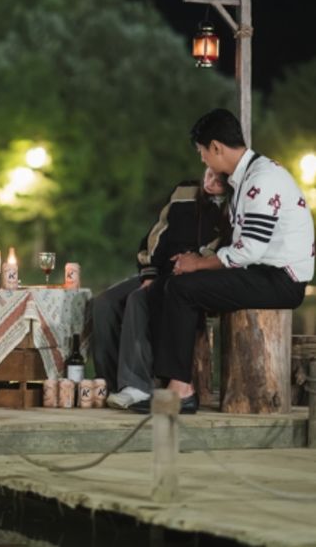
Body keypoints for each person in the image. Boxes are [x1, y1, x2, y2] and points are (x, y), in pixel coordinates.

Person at [130, 108, 315, 414]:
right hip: (259, 272)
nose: (204, 161)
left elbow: (248, 250)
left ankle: (181, 390)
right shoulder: (247, 176)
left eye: (202, 153)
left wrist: (197, 263)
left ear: (216, 147)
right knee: (167, 285)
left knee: (182, 289)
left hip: (281, 279)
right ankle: (168, 382)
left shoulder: (262, 179)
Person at [92, 166, 230, 409]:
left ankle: (136, 385)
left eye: (219, 180)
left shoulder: (237, 204)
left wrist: (195, 261)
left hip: (195, 278)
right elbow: (157, 233)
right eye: (209, 175)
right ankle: (109, 385)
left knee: (139, 299)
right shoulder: (184, 191)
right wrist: (149, 271)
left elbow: (226, 249)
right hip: (160, 271)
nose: (210, 183)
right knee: (104, 303)